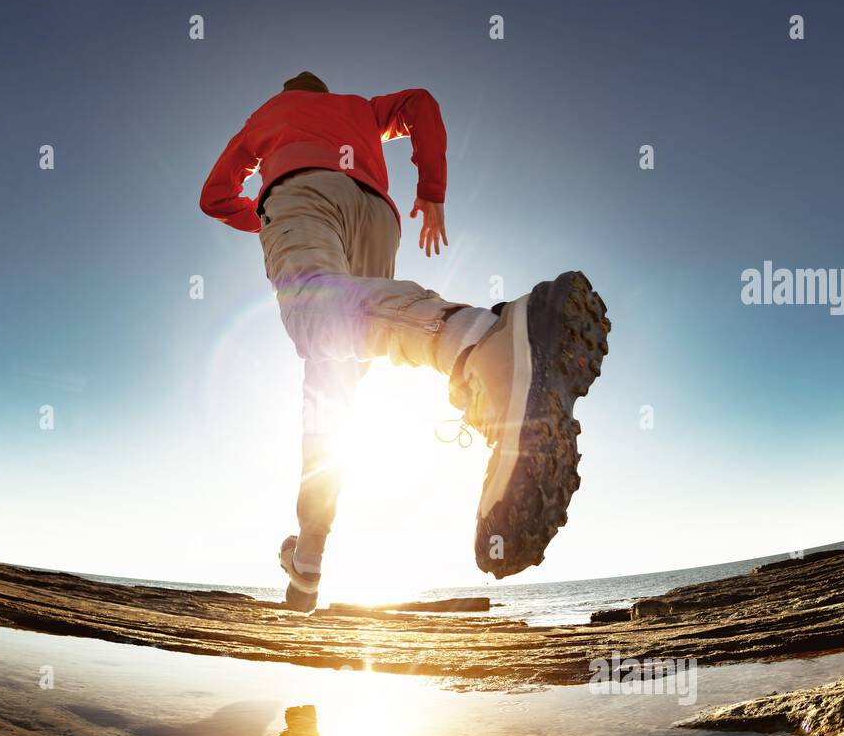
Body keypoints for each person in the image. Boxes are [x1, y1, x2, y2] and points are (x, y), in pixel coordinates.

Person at [200, 71, 609, 611]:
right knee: (333, 376)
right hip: (376, 216)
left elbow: (214, 196)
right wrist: (431, 191)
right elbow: (421, 102)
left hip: (303, 196)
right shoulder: (362, 108)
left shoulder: (266, 117)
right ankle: (308, 562)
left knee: (316, 323)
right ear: (325, 94)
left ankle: (481, 343)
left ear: (286, 96)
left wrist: (264, 215)